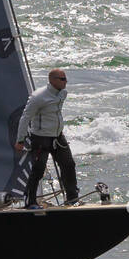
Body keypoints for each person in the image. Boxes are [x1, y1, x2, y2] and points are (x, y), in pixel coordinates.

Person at [15, 68, 79, 209]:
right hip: (40, 139)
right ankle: (29, 201)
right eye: (62, 79)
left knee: (69, 165)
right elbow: (25, 118)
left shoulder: (63, 93)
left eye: (66, 78)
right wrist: (20, 140)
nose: (66, 81)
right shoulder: (38, 97)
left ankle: (73, 198)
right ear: (52, 80)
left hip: (57, 137)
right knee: (38, 170)